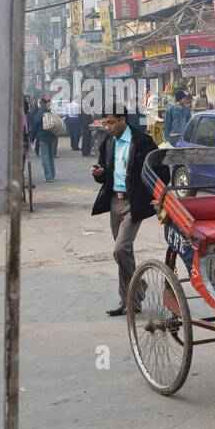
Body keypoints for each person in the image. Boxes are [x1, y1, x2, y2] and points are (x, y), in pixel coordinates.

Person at [90, 108, 159, 316]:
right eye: (104, 123)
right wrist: (99, 173)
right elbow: (105, 174)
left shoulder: (142, 142)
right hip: (114, 202)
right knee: (123, 255)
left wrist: (157, 196)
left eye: (110, 123)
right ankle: (129, 300)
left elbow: (157, 168)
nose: (107, 127)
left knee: (120, 249)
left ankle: (137, 288)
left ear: (122, 120)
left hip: (134, 203)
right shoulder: (108, 143)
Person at [35, 98, 58, 182]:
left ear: (41, 104)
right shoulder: (51, 114)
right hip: (52, 138)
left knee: (45, 157)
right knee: (50, 156)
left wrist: (32, 138)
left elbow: (35, 128)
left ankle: (48, 176)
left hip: (43, 138)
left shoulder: (39, 115)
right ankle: (52, 174)